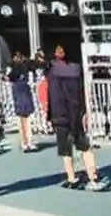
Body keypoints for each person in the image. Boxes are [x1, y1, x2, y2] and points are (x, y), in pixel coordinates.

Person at [45, 45, 107, 191]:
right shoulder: (76, 69)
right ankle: (93, 177)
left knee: (65, 149)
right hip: (76, 111)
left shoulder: (52, 71)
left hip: (59, 113)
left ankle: (72, 178)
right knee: (84, 145)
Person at [7, 53, 39, 152]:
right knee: (27, 118)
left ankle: (25, 142)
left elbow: (9, 78)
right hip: (25, 91)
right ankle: (29, 141)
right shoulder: (26, 67)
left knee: (21, 118)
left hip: (18, 92)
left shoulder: (14, 69)